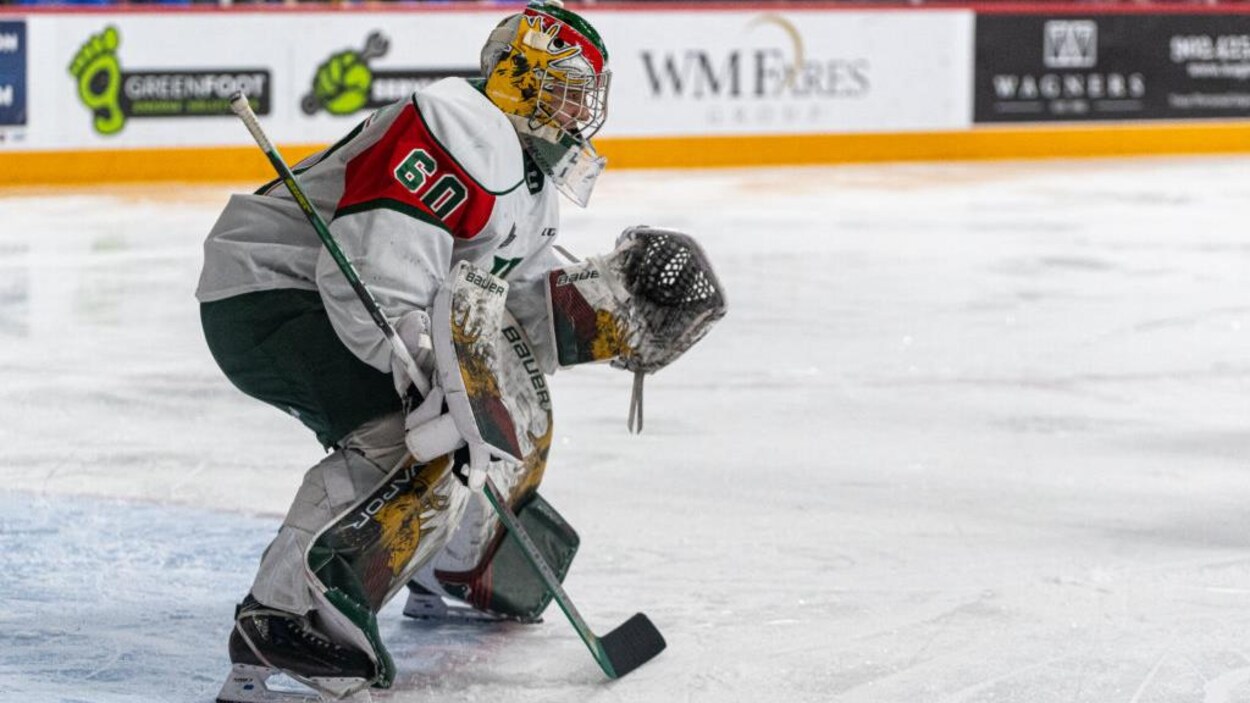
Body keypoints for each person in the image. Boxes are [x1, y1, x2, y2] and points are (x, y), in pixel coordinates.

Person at [198, 1, 614, 698]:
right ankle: (286, 613)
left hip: (335, 300)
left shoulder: (535, 189)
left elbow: (504, 319)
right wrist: (441, 392)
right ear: (519, 74)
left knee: (473, 424)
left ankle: (444, 563)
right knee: (412, 436)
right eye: (567, 87)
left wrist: (610, 310)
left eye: (587, 96)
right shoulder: (459, 125)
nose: (580, 111)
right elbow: (375, 275)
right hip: (273, 291)